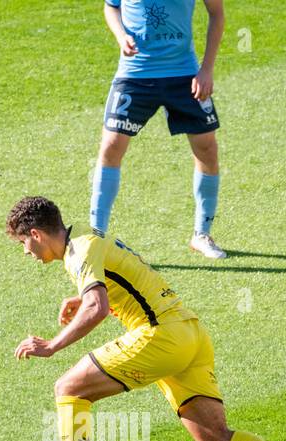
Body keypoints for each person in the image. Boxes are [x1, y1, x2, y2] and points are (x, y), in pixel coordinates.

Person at [6, 196, 286, 441]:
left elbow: (98, 308)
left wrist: (51, 345)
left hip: (160, 336)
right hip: (192, 335)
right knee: (214, 440)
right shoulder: (90, 240)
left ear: (36, 234)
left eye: (23, 243)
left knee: (69, 388)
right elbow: (128, 278)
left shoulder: (79, 252)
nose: (25, 252)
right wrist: (82, 297)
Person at [92, 0, 228, 259]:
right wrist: (121, 37)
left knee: (207, 148)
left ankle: (202, 234)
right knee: (111, 145)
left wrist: (207, 69)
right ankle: (97, 238)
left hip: (185, 74)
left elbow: (217, 13)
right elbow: (111, 7)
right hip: (135, 74)